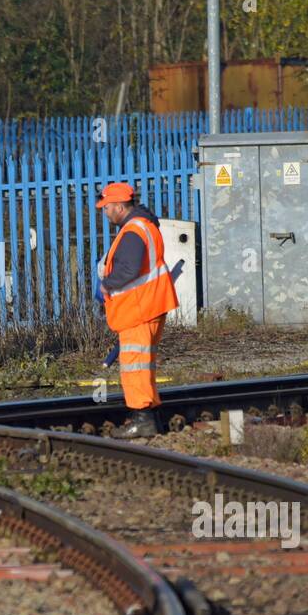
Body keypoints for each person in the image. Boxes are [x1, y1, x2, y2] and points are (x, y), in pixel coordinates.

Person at [96, 182, 178, 438]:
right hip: (148, 304)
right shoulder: (143, 225)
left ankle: (142, 420)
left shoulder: (133, 230)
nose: (105, 212)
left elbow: (129, 269)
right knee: (143, 365)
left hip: (139, 308)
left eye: (107, 207)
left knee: (134, 365)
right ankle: (152, 418)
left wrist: (106, 285)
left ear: (119, 206)